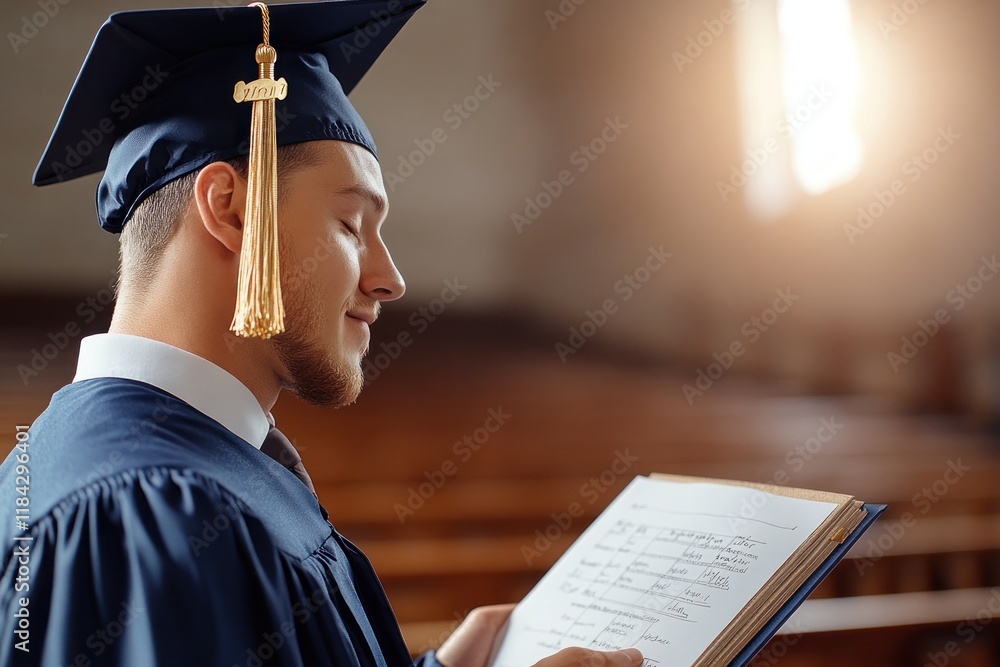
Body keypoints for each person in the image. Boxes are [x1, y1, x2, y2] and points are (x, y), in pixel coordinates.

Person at [0, 2, 644, 666]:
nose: (390, 278)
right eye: (349, 224)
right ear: (232, 209)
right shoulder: (143, 512)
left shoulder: (177, 462)